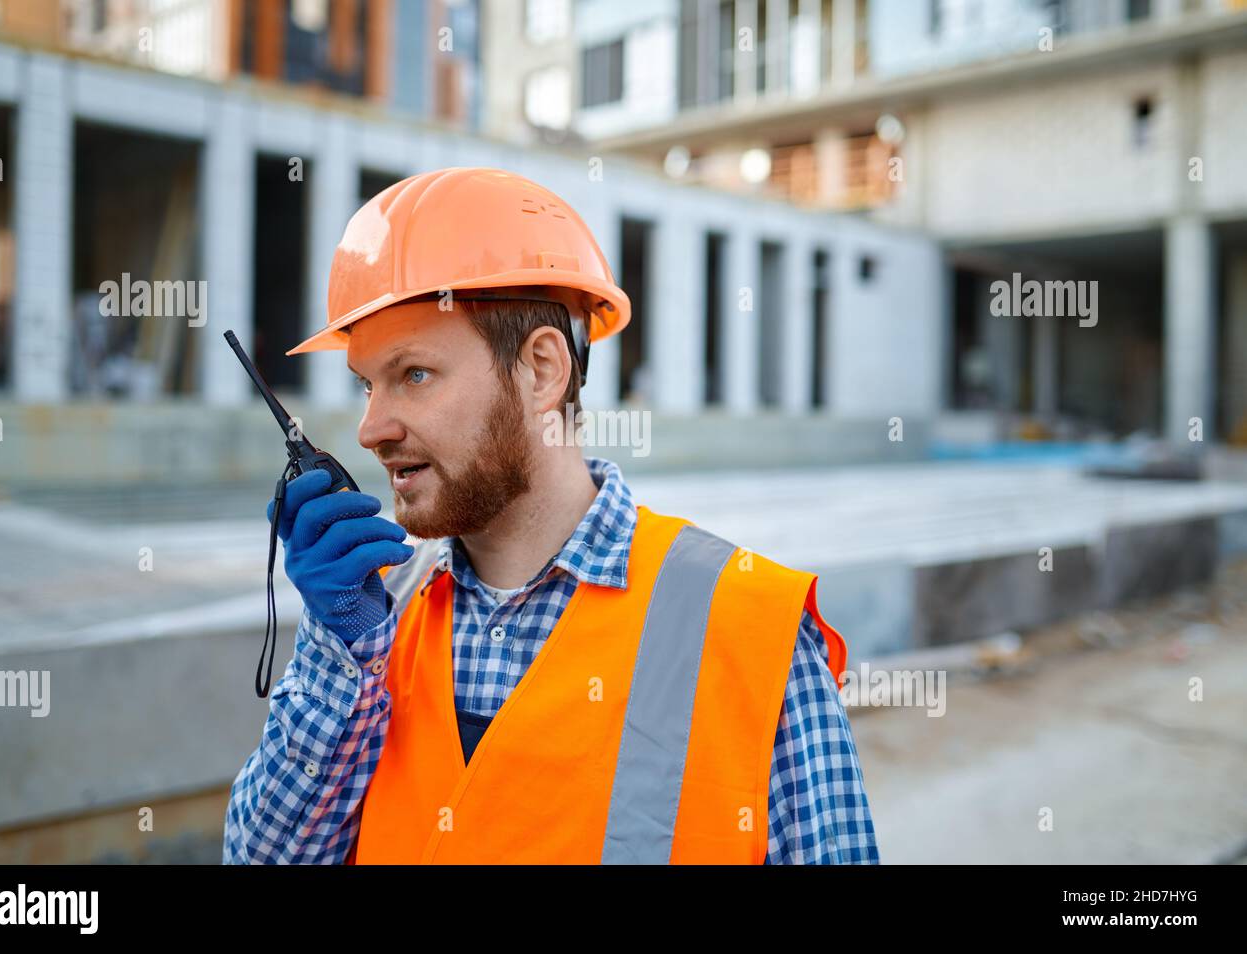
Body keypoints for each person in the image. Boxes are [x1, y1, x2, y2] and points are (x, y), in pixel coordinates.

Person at [223, 167, 879, 864]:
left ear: (541, 370)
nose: (370, 428)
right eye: (366, 385)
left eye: (413, 375)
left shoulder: (753, 635)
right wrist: (339, 653)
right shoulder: (376, 624)